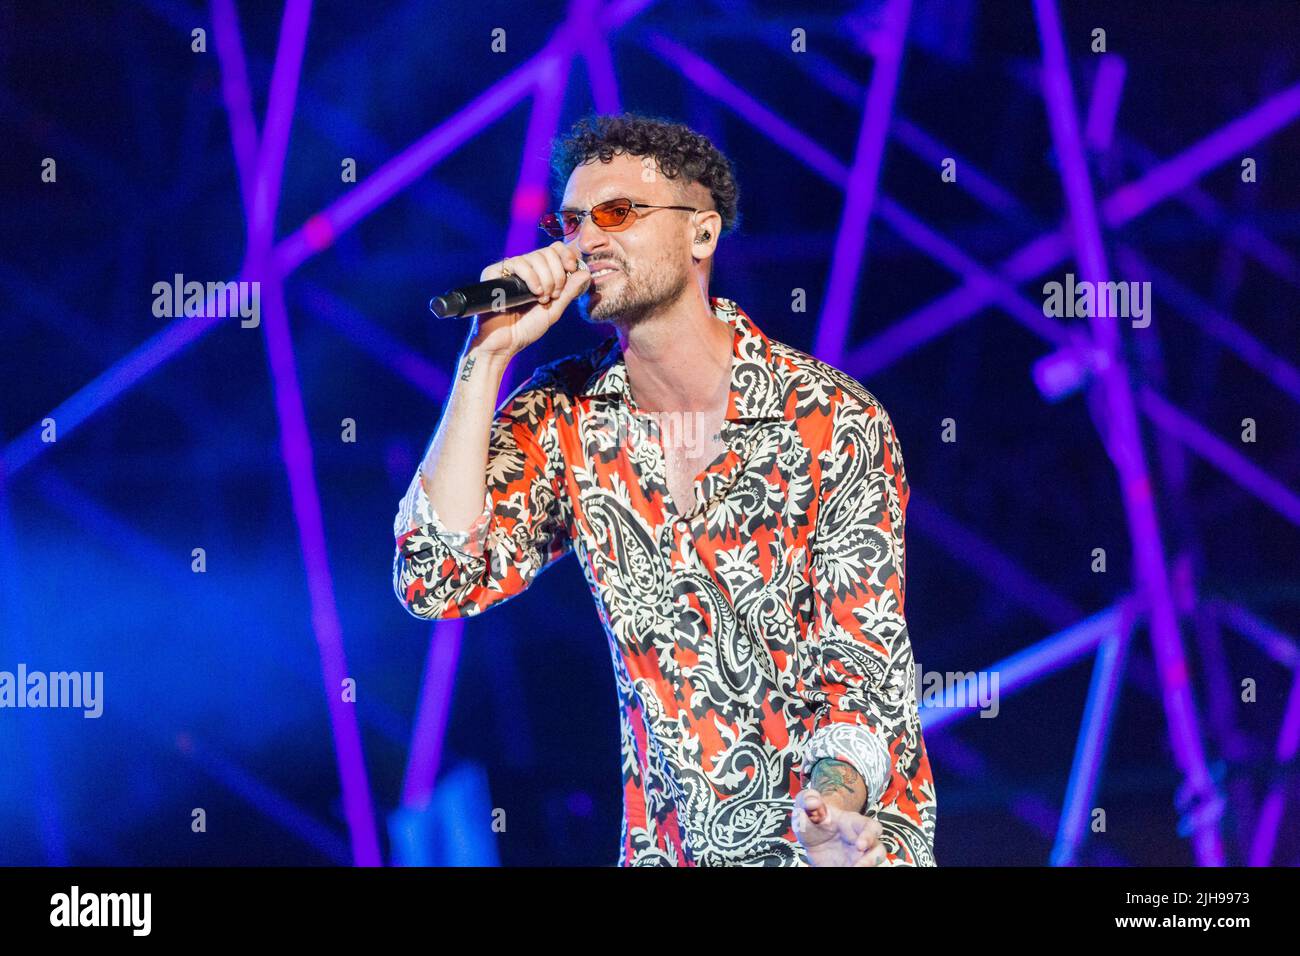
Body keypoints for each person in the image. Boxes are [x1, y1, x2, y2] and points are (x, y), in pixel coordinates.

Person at [393, 112, 936, 867]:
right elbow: (437, 578)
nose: (587, 238)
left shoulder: (828, 419)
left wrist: (829, 811)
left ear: (701, 236)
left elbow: (866, 668)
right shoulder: (566, 417)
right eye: (573, 219)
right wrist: (485, 359)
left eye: (620, 212)